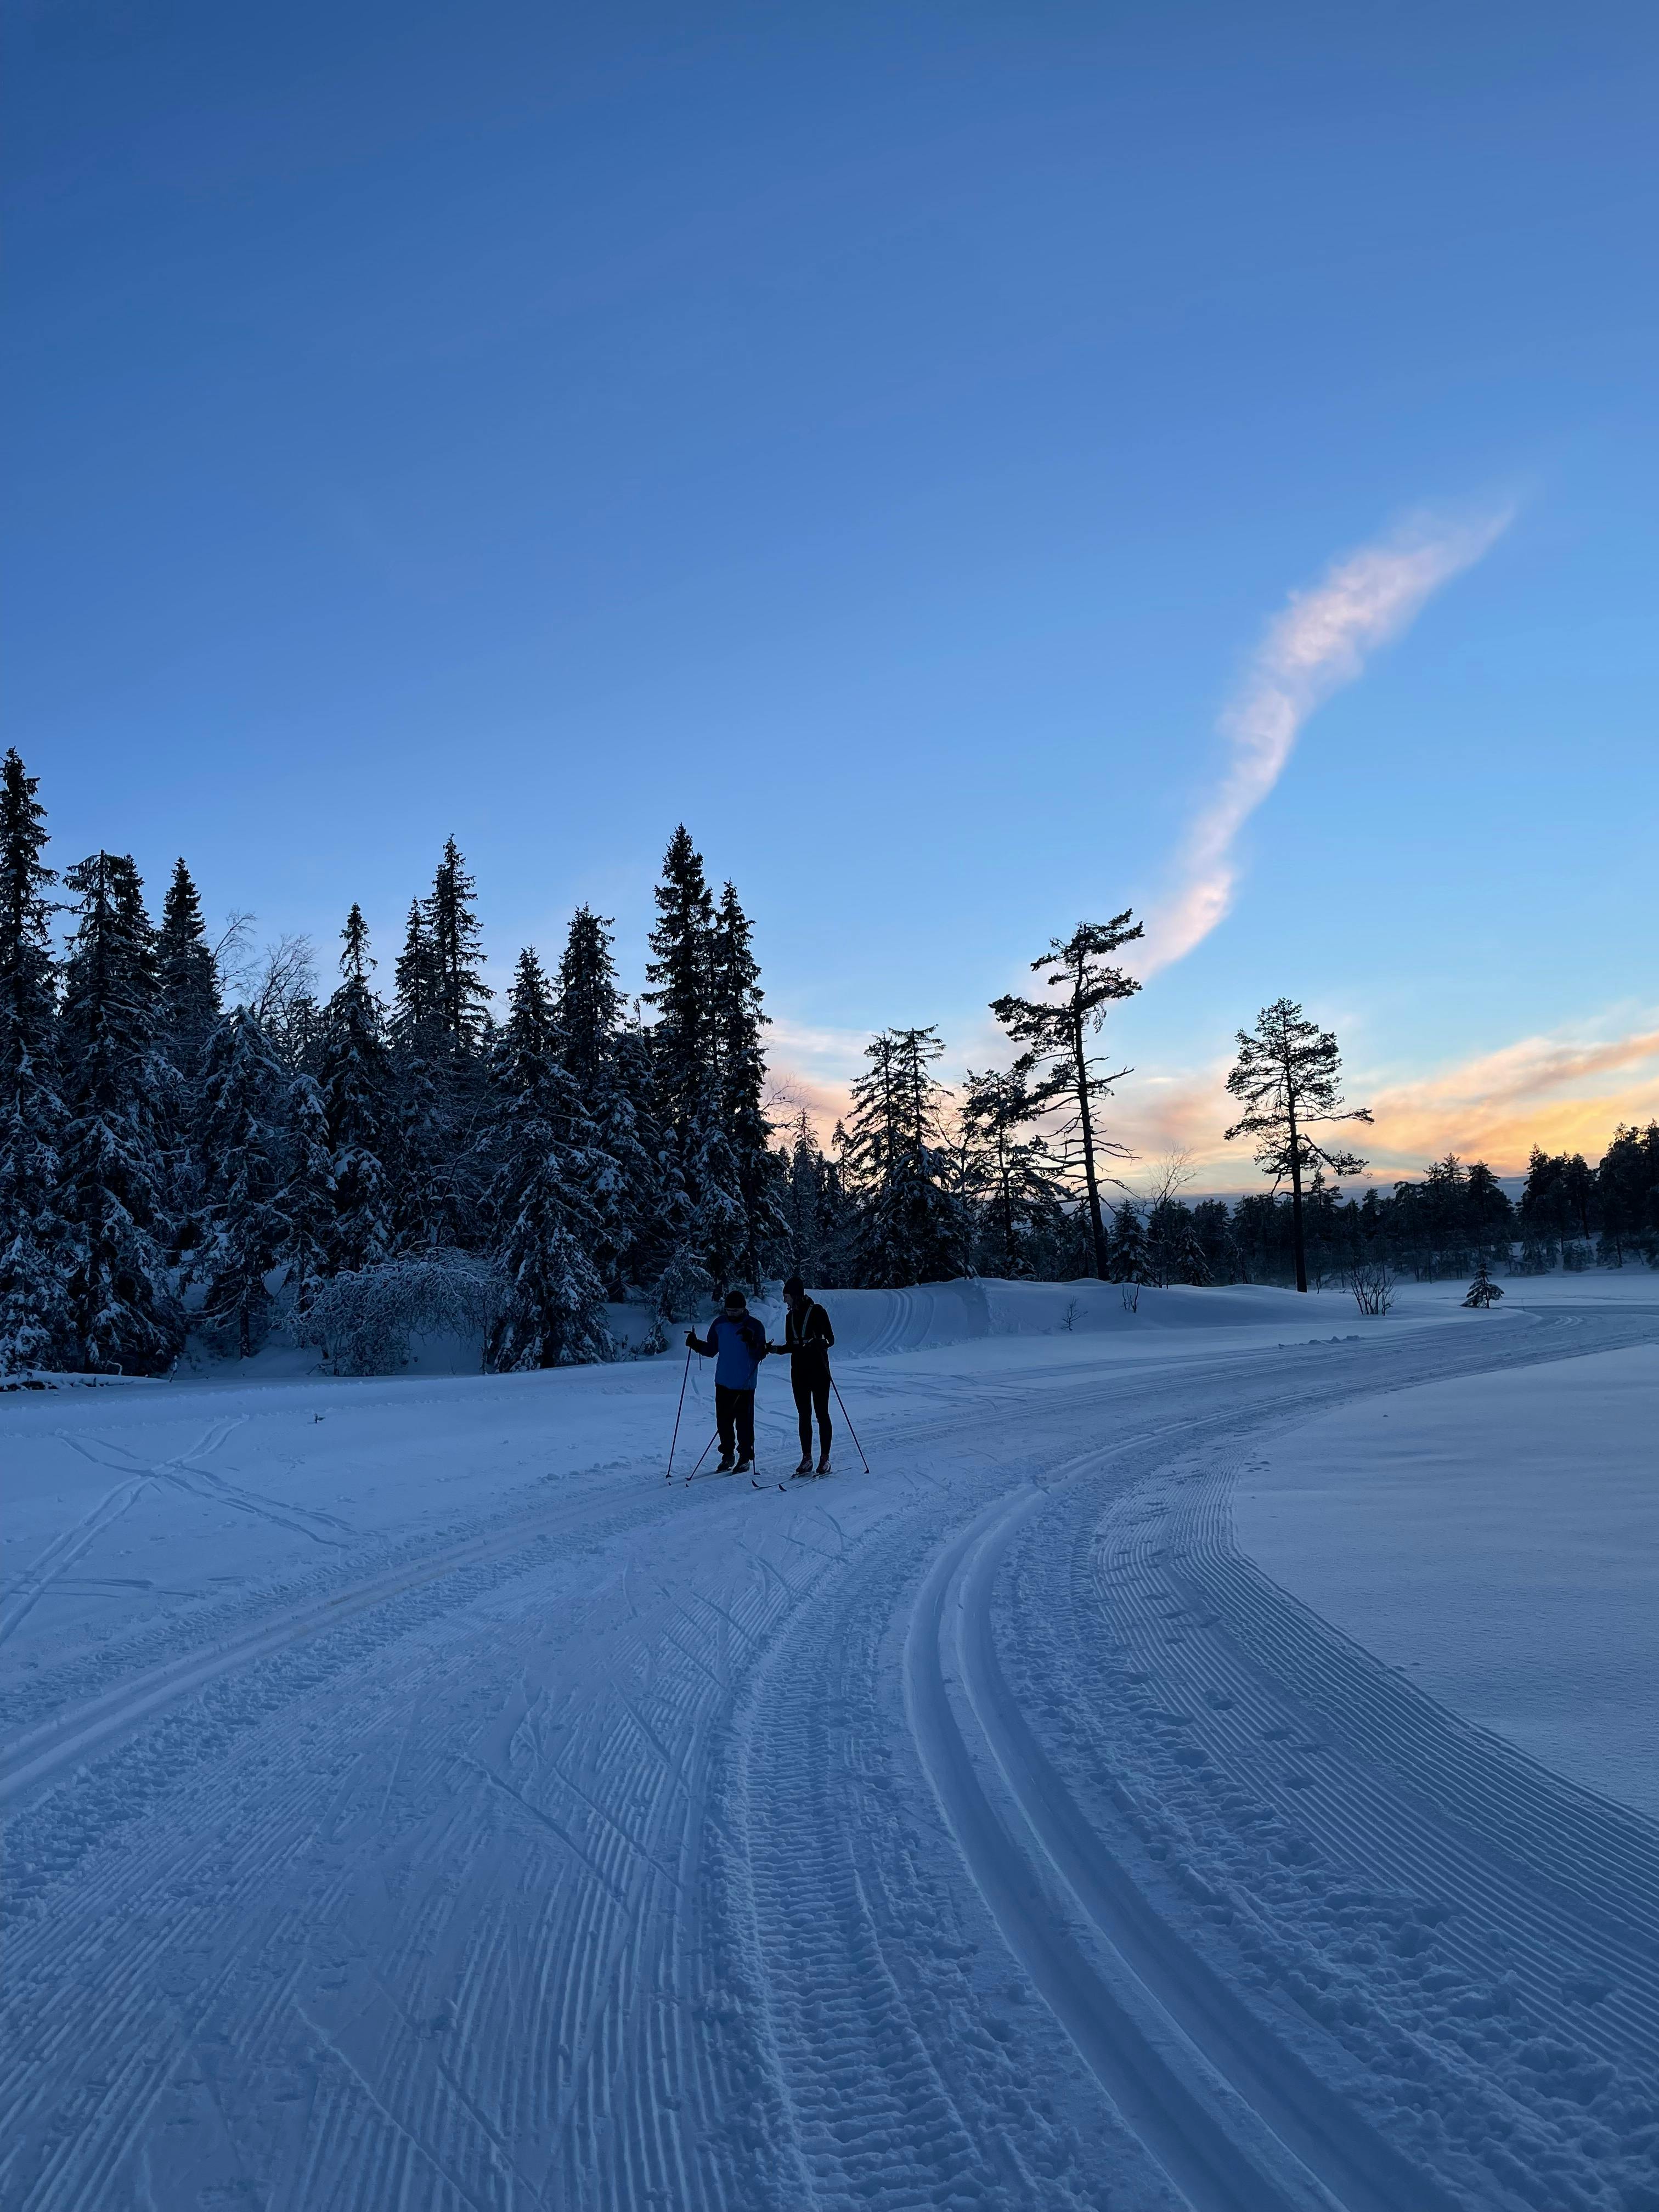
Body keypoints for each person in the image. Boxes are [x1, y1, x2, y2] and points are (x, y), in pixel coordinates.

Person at [687, 1291, 769, 1474]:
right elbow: (711, 1350)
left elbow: (760, 1354)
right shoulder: (720, 1324)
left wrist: (751, 1342)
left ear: (744, 1308)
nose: (731, 1314)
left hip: (745, 1383)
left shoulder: (755, 1326)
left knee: (744, 1424)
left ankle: (745, 1457)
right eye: (729, 1310)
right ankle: (728, 1455)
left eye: (735, 1311)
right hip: (723, 1381)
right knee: (723, 1423)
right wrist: (695, 1344)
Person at [769, 1273, 835, 1476]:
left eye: (786, 1296)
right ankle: (807, 1458)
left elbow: (831, 1340)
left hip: (819, 1368)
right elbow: (792, 1345)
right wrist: (773, 1350)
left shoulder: (817, 1311)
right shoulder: (790, 1317)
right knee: (804, 1416)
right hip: (799, 1370)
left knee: (822, 1414)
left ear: (795, 1295)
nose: (784, 1301)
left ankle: (825, 1459)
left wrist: (819, 1343)